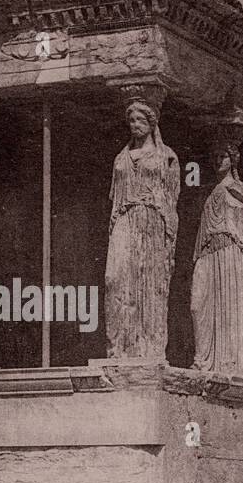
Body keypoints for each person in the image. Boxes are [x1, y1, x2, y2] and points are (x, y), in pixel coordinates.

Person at [104, 100, 180, 359]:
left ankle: (149, 348)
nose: (135, 125)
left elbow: (172, 196)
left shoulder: (166, 156)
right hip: (124, 218)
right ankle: (119, 347)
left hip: (152, 221)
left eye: (140, 121)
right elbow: (115, 197)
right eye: (132, 121)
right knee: (115, 279)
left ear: (151, 124)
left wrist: (169, 232)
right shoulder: (120, 158)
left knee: (150, 281)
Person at [191, 142, 243, 372]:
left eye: (224, 156)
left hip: (229, 252)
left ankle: (227, 363)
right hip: (208, 251)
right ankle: (204, 360)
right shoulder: (209, 191)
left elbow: (239, 223)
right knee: (198, 305)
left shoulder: (238, 188)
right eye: (215, 156)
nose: (219, 160)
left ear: (233, 160)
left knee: (229, 305)